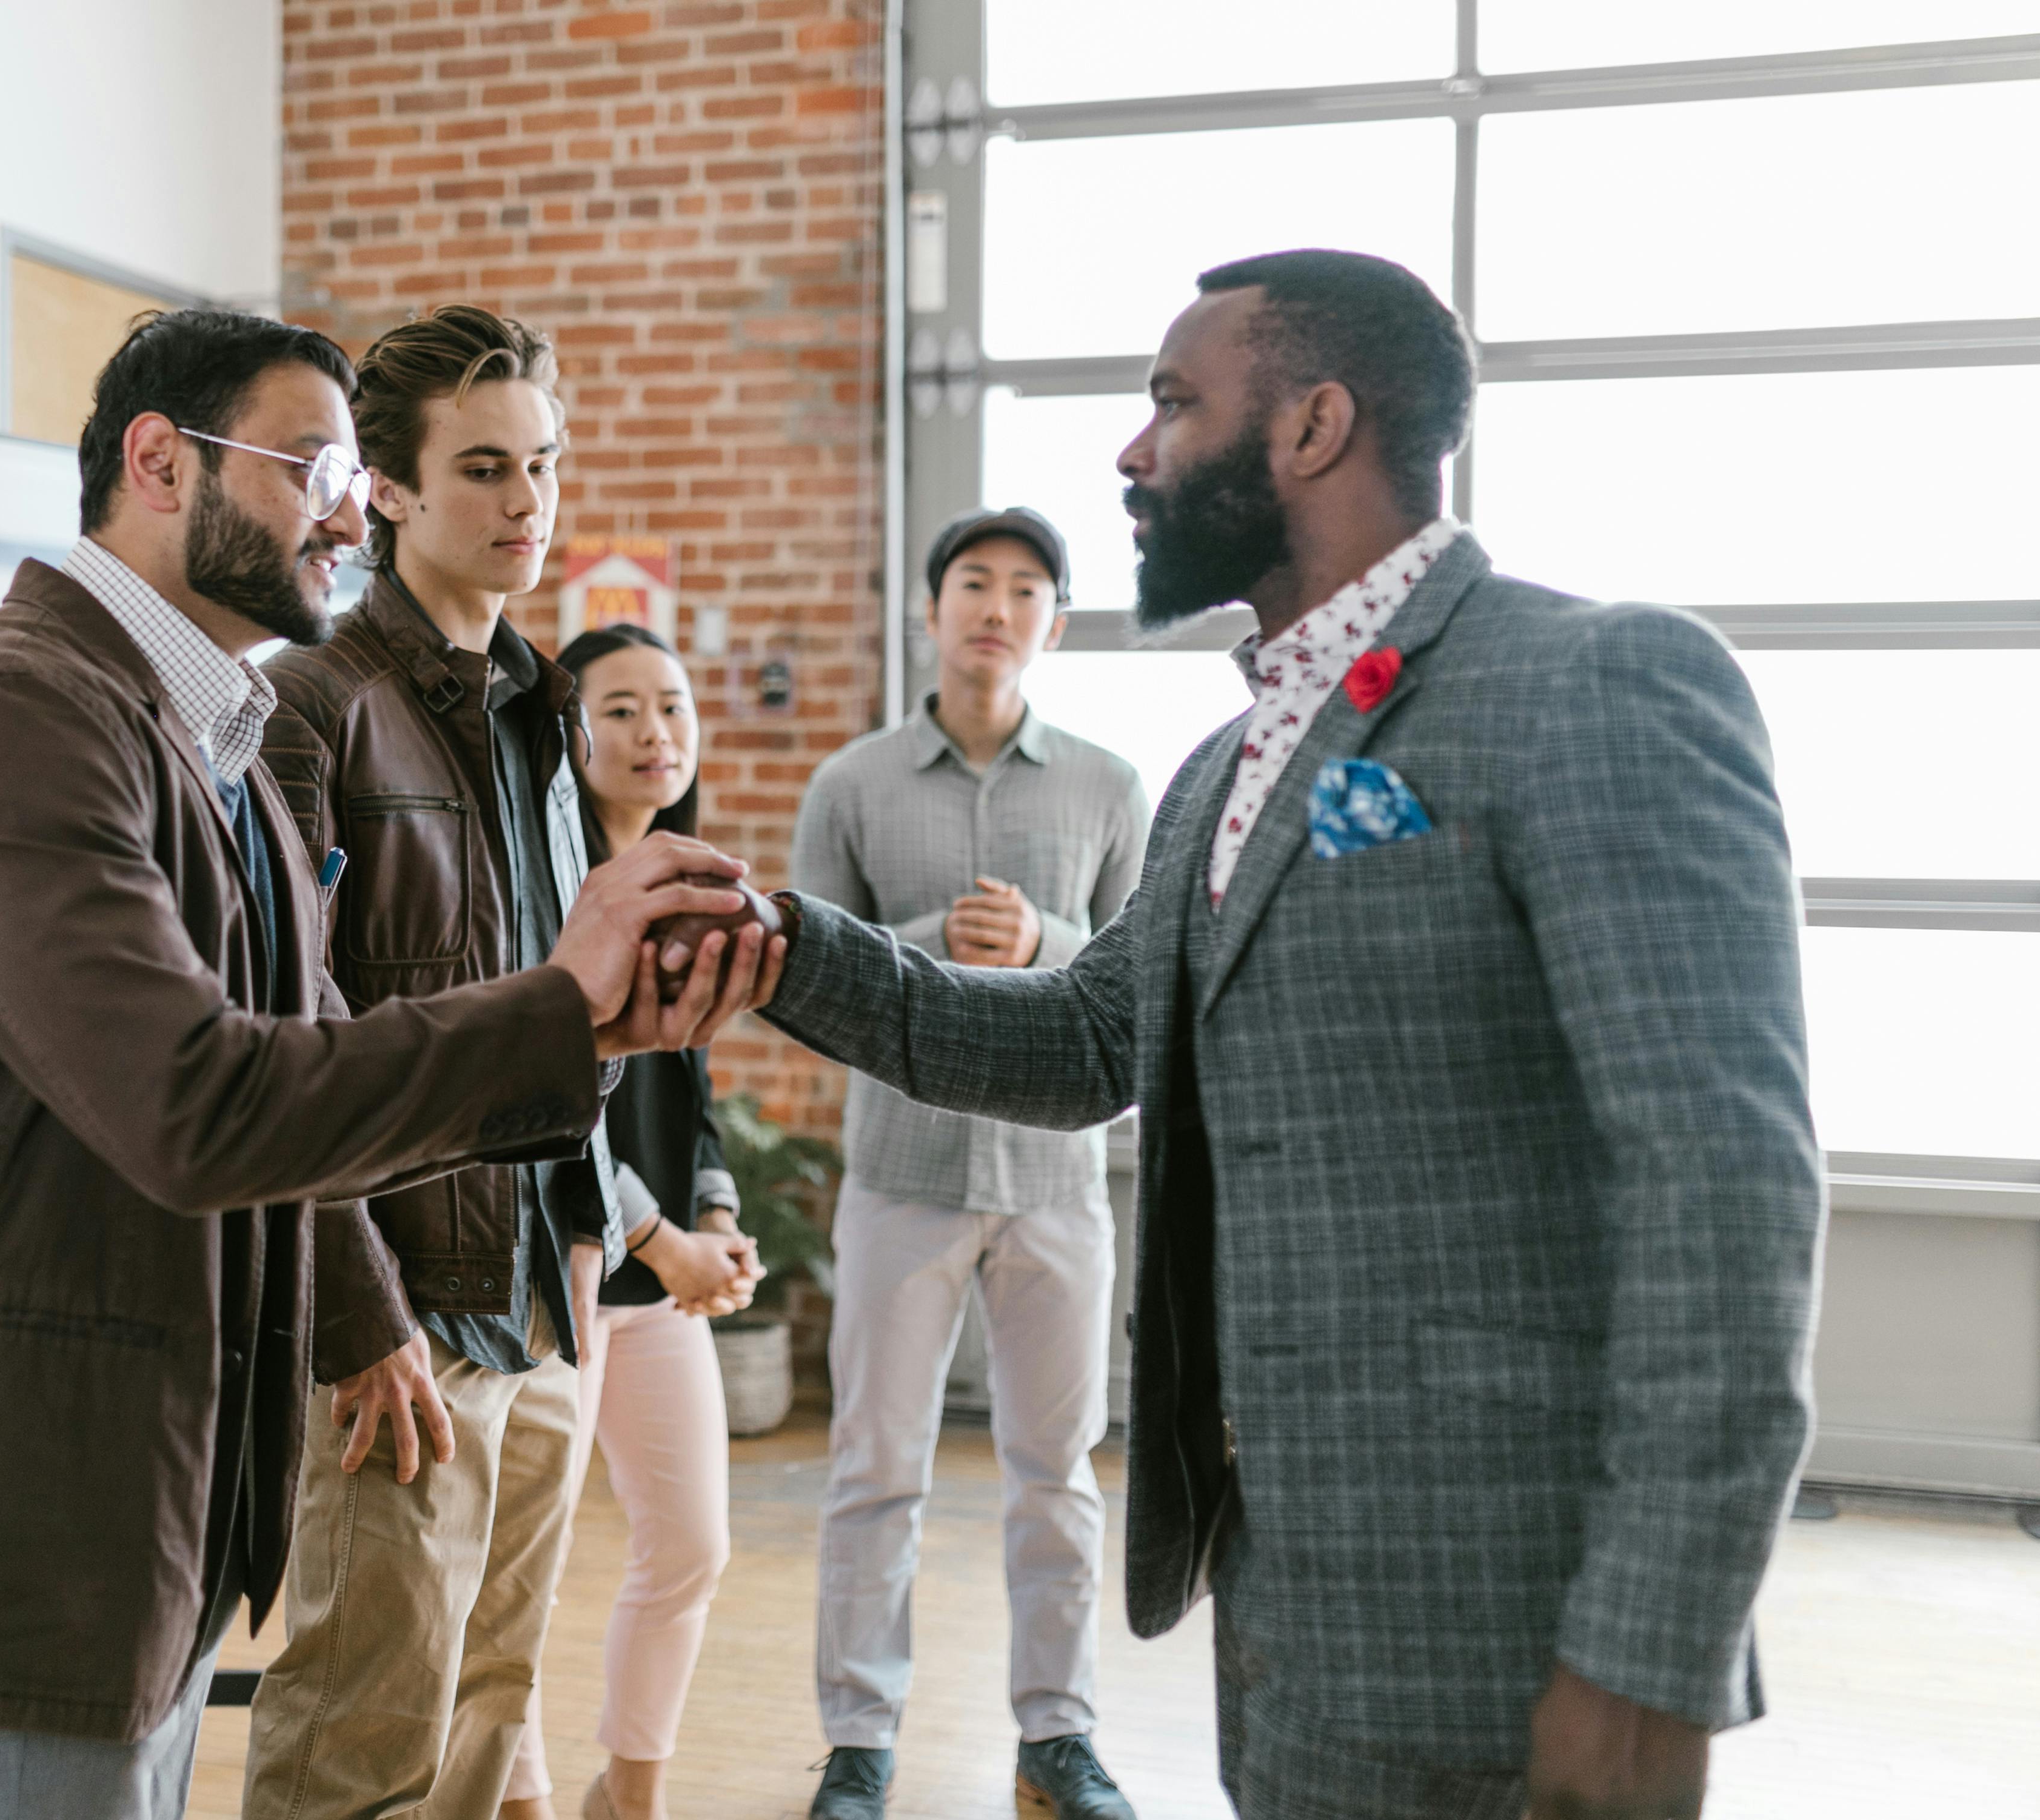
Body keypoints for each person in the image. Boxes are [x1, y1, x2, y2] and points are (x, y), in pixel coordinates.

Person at [755, 250, 1822, 1820]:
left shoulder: (1595, 682)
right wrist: (778, 949)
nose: (1133, 454)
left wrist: (1652, 1657)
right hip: (1288, 1600)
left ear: (1315, 426)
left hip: (1511, 1621)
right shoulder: (1220, 767)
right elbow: (1080, 1042)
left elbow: (1724, 1194)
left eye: (1173, 406)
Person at [0, 307, 772, 1820]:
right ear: (160, 463)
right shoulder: (15, 713)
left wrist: (591, 1047)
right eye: (310, 463)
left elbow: (302, 1054)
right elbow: (205, 1101)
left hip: (140, 1493)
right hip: (18, 1510)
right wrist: (560, 1016)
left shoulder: (198, 729)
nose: (345, 502)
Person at [247, 304, 764, 1819]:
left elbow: (562, 1015)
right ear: (388, 492)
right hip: (399, 1306)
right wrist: (356, 1313)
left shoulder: (545, 715)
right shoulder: (312, 708)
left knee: (488, 1720)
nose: (526, 501)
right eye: (483, 468)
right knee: (360, 1738)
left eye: (541, 463)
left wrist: (606, 1233)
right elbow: (286, 1048)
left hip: (545, 1297)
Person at [791, 507, 1150, 1820]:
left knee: (1054, 1474)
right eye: (971, 584)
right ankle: (857, 1743)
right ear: (929, 611)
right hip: (901, 1170)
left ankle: (1057, 1738)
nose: (994, 608)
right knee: (874, 1468)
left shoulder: (1109, 784)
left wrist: (1046, 938)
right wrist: (933, 937)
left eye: (1023, 591)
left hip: (1057, 1182)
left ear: (1051, 624)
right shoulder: (851, 783)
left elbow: (1141, 975)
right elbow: (809, 978)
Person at [504, 621, 767, 1820]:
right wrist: (662, 1236)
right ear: (567, 729)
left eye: (669, 704)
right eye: (619, 707)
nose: (653, 730)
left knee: (690, 1547)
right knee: (520, 1575)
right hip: (551, 1271)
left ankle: (630, 1796)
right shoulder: (534, 886)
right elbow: (554, 1105)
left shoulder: (692, 881)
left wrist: (712, 1212)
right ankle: (517, 1799)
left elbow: (688, 1097)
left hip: (654, 1275)